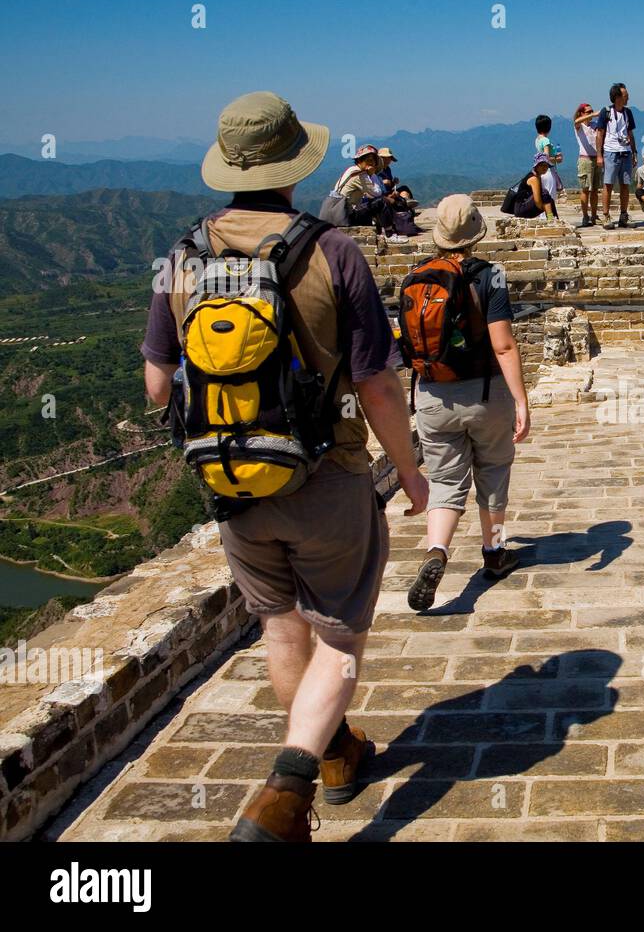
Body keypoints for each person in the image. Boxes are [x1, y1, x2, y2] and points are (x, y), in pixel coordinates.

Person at [141, 91, 429, 842]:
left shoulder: (180, 256)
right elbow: (378, 385)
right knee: (339, 638)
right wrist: (411, 472)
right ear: (294, 167)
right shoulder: (332, 251)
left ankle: (337, 757)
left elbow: (157, 383)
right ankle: (287, 786)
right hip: (325, 474)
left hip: (230, 480)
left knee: (279, 626)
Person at [406, 195, 531, 612]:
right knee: (493, 474)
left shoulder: (416, 276)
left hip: (432, 395)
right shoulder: (490, 276)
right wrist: (520, 400)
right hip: (484, 394)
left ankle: (437, 550)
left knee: (444, 482)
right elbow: (503, 344)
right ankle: (494, 554)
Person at [594, 82, 637, 229]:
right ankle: (606, 215)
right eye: (625, 95)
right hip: (610, 152)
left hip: (625, 151)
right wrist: (599, 155)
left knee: (625, 185)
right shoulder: (605, 112)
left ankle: (623, 215)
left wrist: (634, 151)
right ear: (617, 97)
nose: (628, 97)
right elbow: (599, 134)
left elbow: (630, 133)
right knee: (608, 184)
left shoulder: (628, 113)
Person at [333, 144, 399, 239]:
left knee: (369, 206)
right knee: (381, 202)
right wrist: (371, 175)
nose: (371, 163)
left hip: (341, 211)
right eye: (368, 160)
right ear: (360, 160)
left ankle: (380, 231)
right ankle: (390, 234)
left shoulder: (351, 170)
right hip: (346, 215)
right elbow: (377, 193)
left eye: (373, 161)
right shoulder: (359, 175)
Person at [573, 103, 600, 227]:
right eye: (588, 112)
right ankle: (585, 216)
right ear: (582, 113)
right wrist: (593, 115)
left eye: (592, 111)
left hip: (596, 159)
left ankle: (594, 215)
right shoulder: (580, 126)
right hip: (585, 159)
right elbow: (576, 121)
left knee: (595, 190)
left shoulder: (595, 125)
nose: (591, 113)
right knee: (585, 189)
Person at [510, 153, 560, 220]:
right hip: (521, 210)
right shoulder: (534, 179)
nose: (544, 167)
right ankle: (551, 219)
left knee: (550, 200)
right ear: (536, 166)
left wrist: (547, 205)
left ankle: (555, 220)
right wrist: (544, 207)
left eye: (546, 165)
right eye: (542, 165)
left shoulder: (538, 176)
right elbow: (537, 201)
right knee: (544, 193)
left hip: (525, 208)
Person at [534, 114, 564, 201]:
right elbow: (546, 157)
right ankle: (549, 215)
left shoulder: (537, 140)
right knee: (550, 198)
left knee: (542, 197)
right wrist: (557, 159)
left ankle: (544, 214)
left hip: (540, 172)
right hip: (548, 171)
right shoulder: (546, 141)